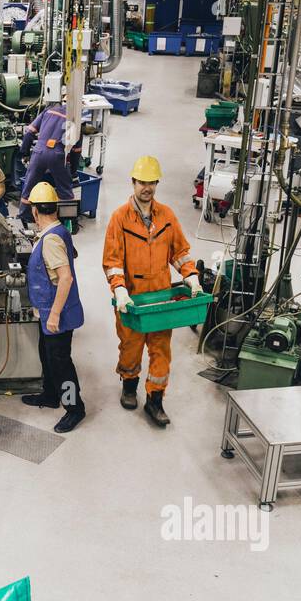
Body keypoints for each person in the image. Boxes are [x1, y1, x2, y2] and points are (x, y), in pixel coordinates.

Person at [101, 156, 201, 427]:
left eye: (151, 182)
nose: (147, 187)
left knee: (161, 350)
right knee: (130, 349)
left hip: (160, 298)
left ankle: (155, 401)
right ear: (133, 183)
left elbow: (179, 251)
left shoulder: (166, 216)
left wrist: (190, 275)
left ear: (157, 184)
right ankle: (130, 385)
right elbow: (112, 261)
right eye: (142, 182)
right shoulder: (120, 218)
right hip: (132, 301)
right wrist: (120, 290)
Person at [21, 182, 86, 433]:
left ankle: (74, 407)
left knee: (61, 364)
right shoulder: (57, 230)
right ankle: (50, 395)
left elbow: (65, 277)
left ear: (36, 211)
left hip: (57, 315)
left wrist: (55, 314)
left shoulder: (51, 240)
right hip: (48, 312)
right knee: (46, 355)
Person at [16, 101, 77, 222]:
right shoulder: (75, 120)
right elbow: (76, 150)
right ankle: (68, 221)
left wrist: (24, 153)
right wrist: (73, 171)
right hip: (58, 155)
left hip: (39, 153)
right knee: (65, 190)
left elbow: (29, 132)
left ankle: (24, 219)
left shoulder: (48, 111)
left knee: (28, 188)